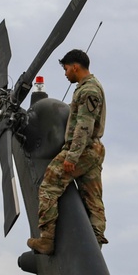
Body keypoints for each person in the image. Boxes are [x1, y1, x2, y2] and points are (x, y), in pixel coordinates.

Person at [27, 49, 107, 255]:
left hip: (82, 149)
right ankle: (95, 246)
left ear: (75, 66)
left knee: (48, 186)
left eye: (65, 68)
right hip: (93, 150)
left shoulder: (88, 90)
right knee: (93, 199)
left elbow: (84, 126)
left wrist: (71, 156)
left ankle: (46, 239)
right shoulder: (90, 87)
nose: (65, 73)